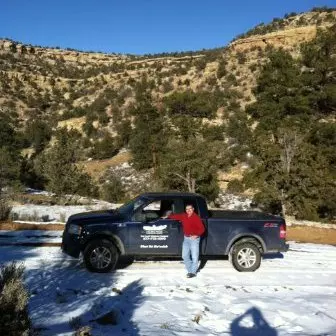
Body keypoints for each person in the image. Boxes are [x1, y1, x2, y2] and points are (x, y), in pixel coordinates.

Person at [168, 205, 205, 278]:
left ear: (193, 209)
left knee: (194, 256)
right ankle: (190, 270)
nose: (188, 210)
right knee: (184, 256)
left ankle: (192, 272)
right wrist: (168, 216)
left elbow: (202, 229)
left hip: (194, 239)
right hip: (186, 238)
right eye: (187, 209)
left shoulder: (196, 217)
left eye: (190, 209)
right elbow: (175, 216)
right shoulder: (184, 216)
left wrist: (196, 235)